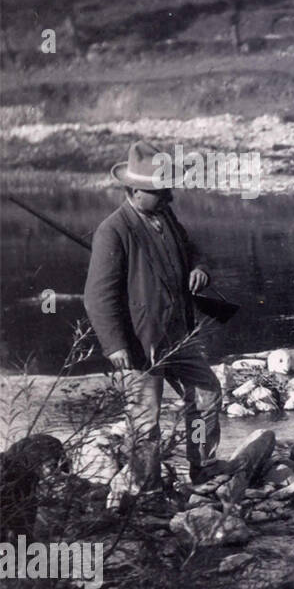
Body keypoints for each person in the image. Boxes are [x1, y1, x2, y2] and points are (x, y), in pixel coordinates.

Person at [83, 140, 222, 490]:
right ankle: (147, 490)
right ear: (134, 191)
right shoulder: (112, 231)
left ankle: (201, 467)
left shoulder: (165, 216)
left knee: (207, 393)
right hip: (139, 341)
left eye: (168, 189)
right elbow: (97, 297)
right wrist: (115, 345)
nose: (168, 196)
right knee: (146, 421)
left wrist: (200, 268)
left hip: (178, 335)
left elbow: (194, 251)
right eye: (160, 191)